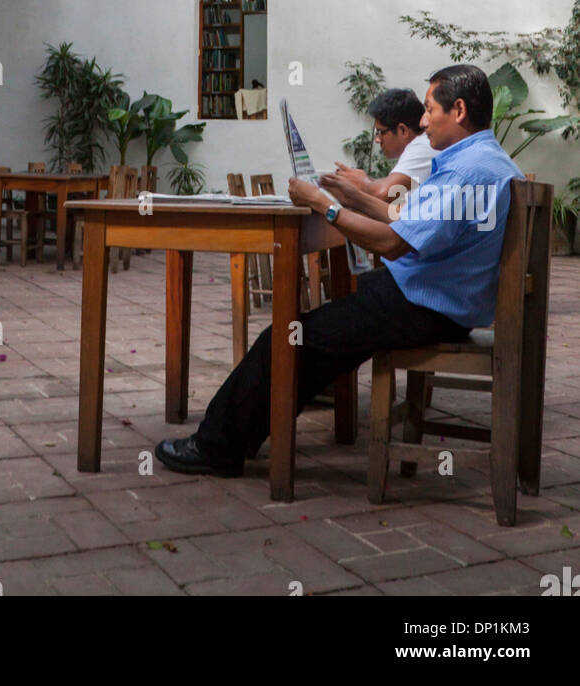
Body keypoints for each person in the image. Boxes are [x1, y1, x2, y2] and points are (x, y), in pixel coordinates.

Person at [155, 64, 522, 478]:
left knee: (286, 338)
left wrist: (324, 205)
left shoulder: (466, 170)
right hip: (442, 302)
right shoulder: (487, 160)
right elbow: (405, 218)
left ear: (457, 110)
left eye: (429, 109)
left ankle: (216, 447)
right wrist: (352, 197)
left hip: (425, 306)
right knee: (319, 331)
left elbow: (391, 241)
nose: (422, 121)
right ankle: (252, 424)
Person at [330, 87, 437, 222]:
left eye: (380, 132)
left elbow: (383, 194)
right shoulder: (420, 146)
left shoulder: (421, 147)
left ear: (403, 130)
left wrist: (362, 182)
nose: (377, 139)